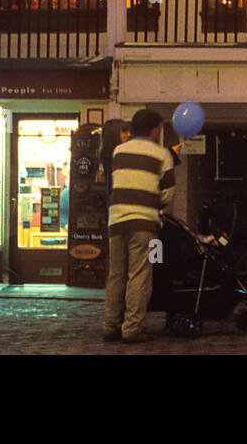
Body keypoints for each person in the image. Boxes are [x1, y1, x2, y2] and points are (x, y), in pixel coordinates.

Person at [103, 109, 175, 344]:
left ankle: (111, 326)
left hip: (116, 221)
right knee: (139, 276)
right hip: (144, 223)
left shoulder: (118, 151)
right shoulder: (162, 154)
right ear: (154, 130)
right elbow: (167, 194)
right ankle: (132, 328)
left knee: (116, 275)